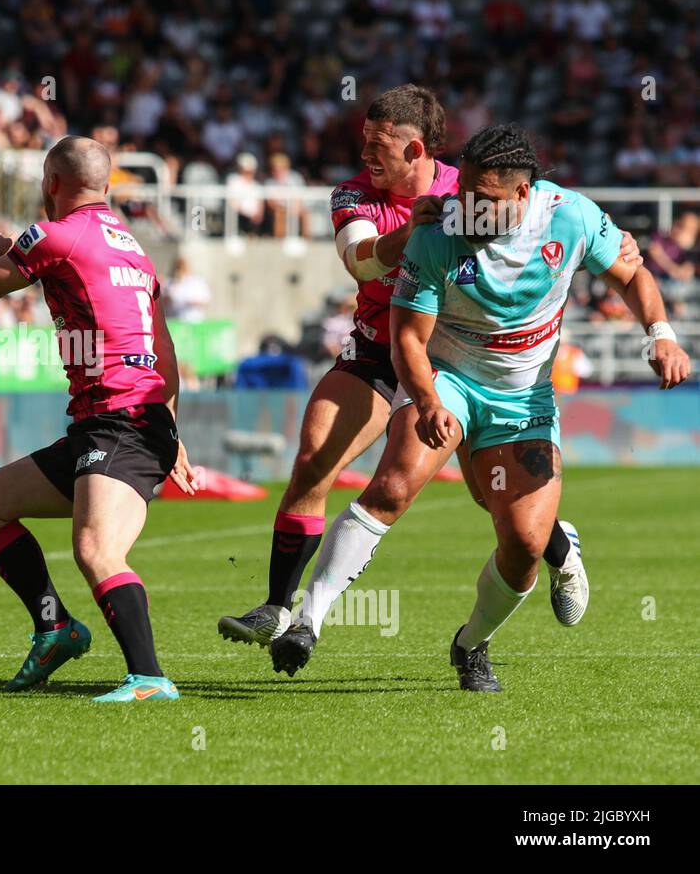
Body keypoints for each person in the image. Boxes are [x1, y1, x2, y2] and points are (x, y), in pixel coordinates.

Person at [271, 124, 691, 690]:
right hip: (448, 377)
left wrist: (659, 334)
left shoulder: (571, 216)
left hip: (524, 396)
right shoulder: (439, 229)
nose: (468, 209)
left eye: (484, 200)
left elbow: (631, 273)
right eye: (463, 192)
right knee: (393, 486)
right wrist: (424, 399)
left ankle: (472, 644)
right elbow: (408, 341)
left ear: (523, 194)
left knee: (520, 543)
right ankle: (306, 621)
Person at [217, 86, 640, 647]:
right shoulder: (353, 194)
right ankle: (278, 608)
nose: (365, 155)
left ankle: (556, 544)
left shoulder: (468, 187)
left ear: (415, 149)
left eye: (377, 145)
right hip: (379, 350)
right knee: (316, 459)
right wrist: (411, 230)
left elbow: (541, 222)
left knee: (486, 493)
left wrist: (617, 250)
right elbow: (362, 264)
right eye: (364, 142)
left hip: (452, 355)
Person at [0, 136, 197, 703]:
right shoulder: (134, 250)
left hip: (120, 422)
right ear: (108, 188)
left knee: (94, 548)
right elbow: (164, 350)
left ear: (51, 185)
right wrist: (173, 429)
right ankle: (54, 626)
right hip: (123, 422)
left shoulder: (54, 235)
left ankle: (149, 678)